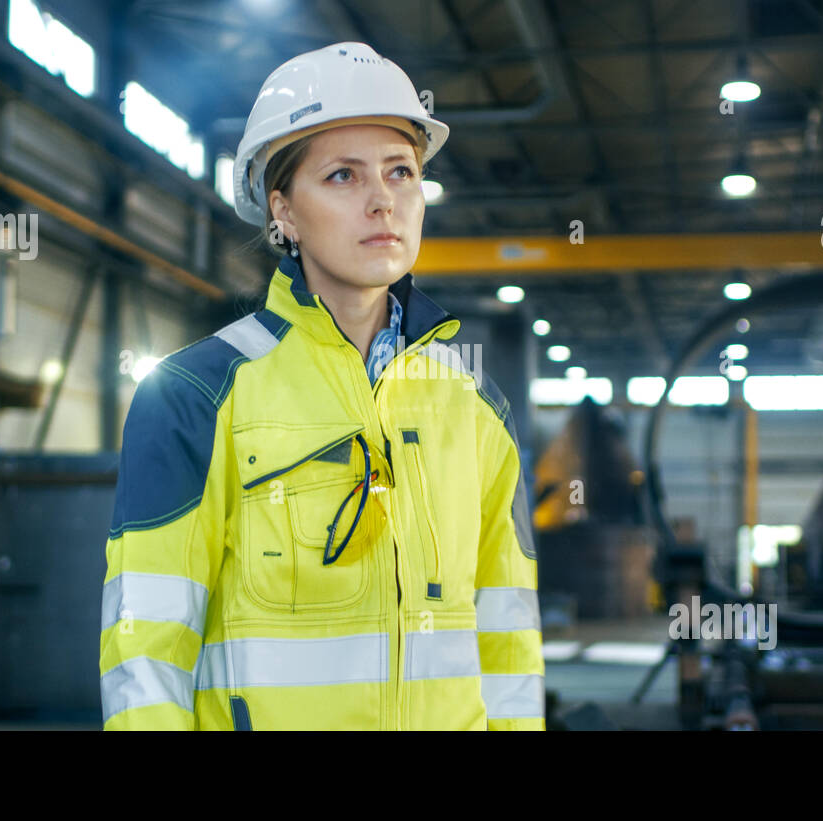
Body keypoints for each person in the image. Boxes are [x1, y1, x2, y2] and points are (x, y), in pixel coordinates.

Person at [99, 41, 544, 730]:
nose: (382, 201)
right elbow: (146, 649)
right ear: (283, 211)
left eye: (401, 172)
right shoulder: (195, 395)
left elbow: (509, 640)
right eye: (342, 176)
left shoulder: (477, 407)